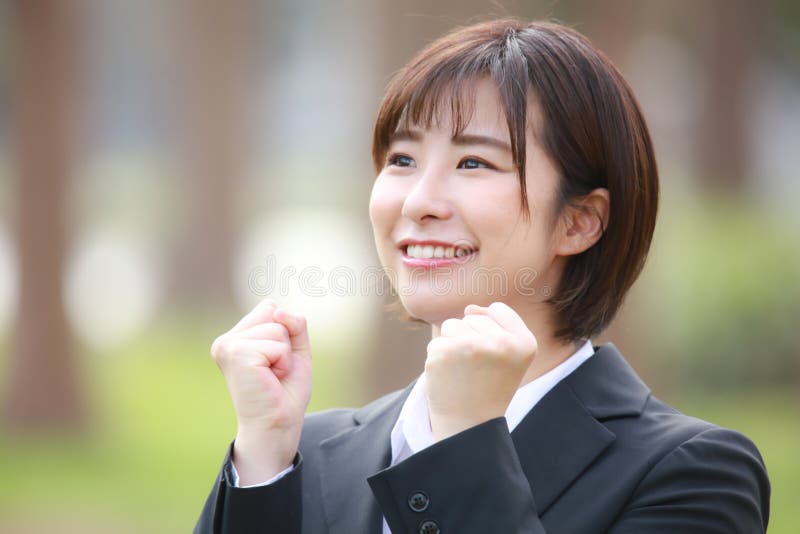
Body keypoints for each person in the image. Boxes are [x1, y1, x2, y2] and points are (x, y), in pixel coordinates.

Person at [194, 19, 770, 534]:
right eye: (402, 160)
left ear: (579, 222)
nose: (418, 201)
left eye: (474, 163)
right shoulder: (309, 452)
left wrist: (468, 441)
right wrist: (264, 465)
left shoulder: (692, 474)